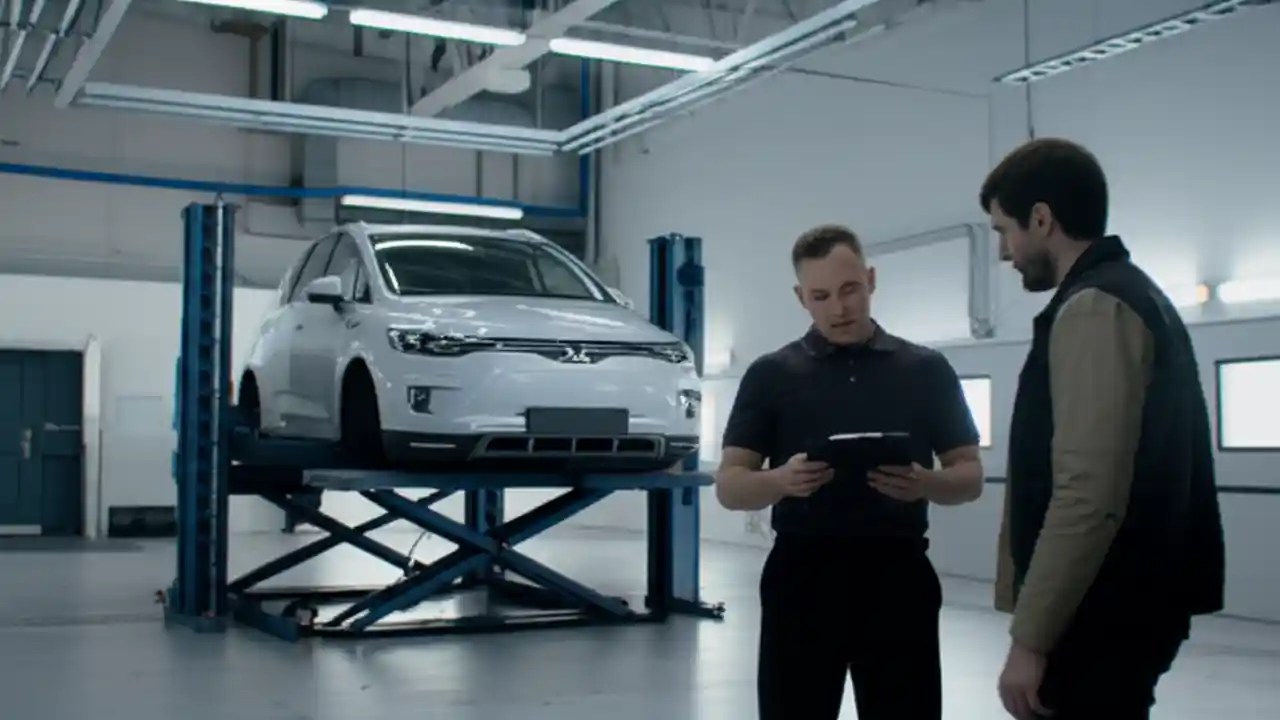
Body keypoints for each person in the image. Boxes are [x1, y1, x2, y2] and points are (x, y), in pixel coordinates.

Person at [979, 137, 1227, 720]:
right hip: (1128, 608)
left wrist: (1031, 637)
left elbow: (1089, 491)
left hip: (1100, 615)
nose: (1004, 252)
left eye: (1002, 230)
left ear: (1041, 219)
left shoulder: (1095, 307)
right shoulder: (1139, 294)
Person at [714, 224, 985, 720]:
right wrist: (779, 481)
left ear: (871, 280)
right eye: (821, 295)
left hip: (898, 578)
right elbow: (730, 487)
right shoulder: (770, 376)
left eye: (849, 289)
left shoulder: (926, 371)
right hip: (802, 580)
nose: (839, 308)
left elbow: (969, 475)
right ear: (801, 297)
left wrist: (926, 482)